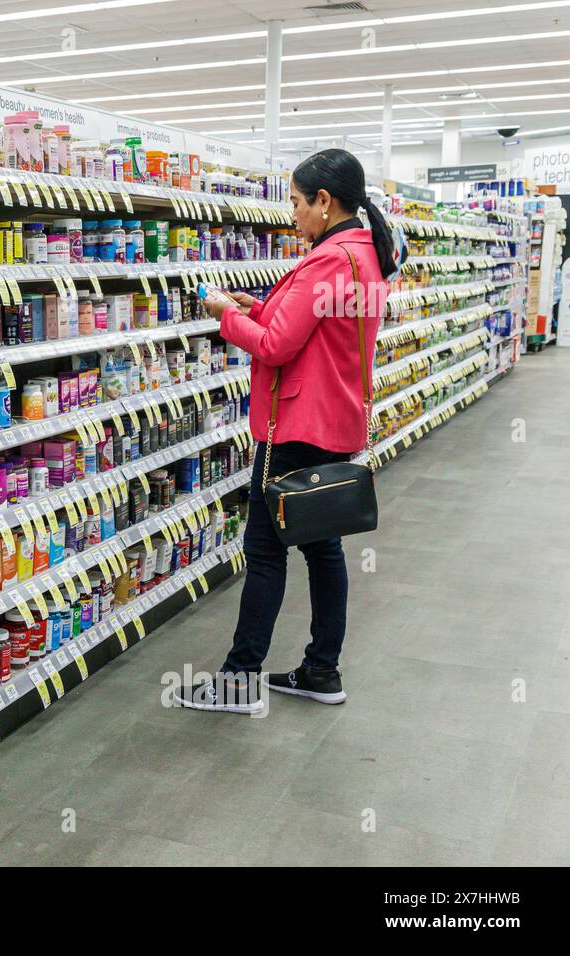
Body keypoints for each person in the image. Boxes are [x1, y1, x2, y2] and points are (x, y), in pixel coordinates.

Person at [173, 147, 400, 714]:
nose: (292, 215)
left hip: (294, 425)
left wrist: (227, 316)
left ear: (325, 202)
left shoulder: (327, 260)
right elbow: (318, 327)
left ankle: (237, 682)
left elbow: (277, 346)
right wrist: (259, 305)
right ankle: (322, 671)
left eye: (298, 203)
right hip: (338, 418)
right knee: (324, 549)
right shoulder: (368, 254)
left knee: (266, 550)